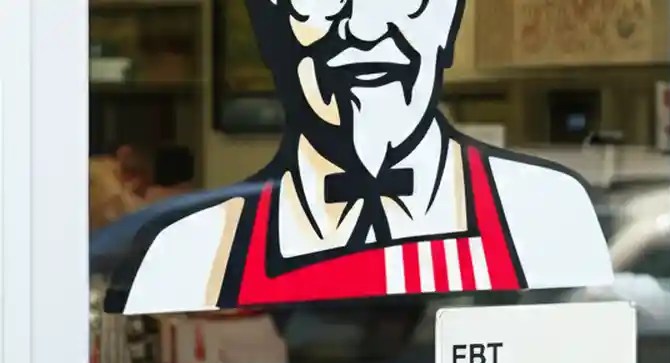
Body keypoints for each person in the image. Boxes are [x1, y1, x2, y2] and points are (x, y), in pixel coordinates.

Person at [108, 0, 611, 315]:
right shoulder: (188, 256)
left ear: (447, 23)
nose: (366, 29)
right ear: (272, 33)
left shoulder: (543, 213)